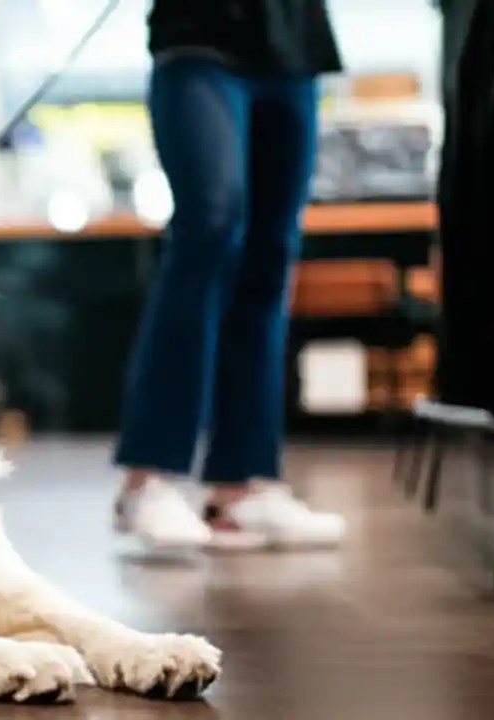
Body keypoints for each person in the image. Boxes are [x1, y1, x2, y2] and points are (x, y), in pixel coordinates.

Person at [113, 0, 348, 552]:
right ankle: (147, 479)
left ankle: (240, 487)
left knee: (270, 255)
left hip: (293, 47)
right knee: (210, 228)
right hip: (199, 41)